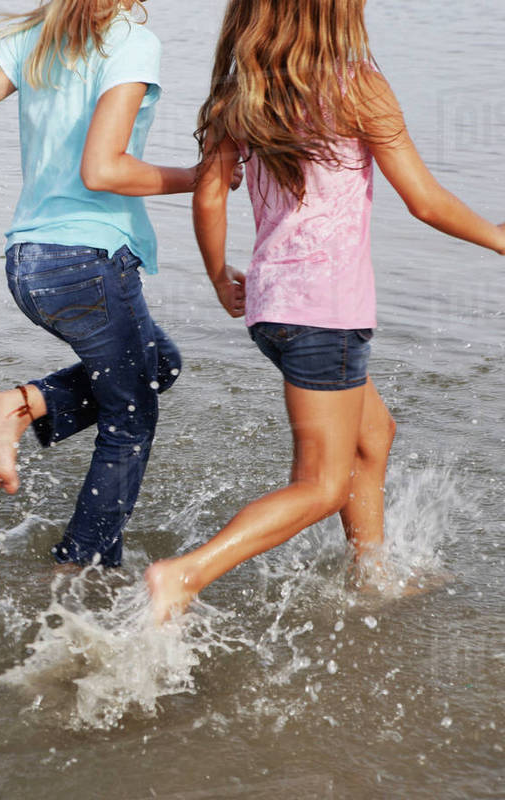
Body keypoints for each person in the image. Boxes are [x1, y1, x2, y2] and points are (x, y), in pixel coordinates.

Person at [145, 0, 505, 621]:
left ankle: (371, 574)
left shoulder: (242, 92)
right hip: (327, 312)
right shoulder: (357, 85)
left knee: (373, 434)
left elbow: (209, 197)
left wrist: (217, 275)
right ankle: (184, 574)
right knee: (321, 483)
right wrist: (498, 238)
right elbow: (423, 200)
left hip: (273, 307)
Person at [0, 0, 222, 567]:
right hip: (88, 264)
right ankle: (80, 569)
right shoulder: (132, 41)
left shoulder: (36, 37)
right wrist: (200, 177)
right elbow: (103, 170)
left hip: (27, 264)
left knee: (159, 362)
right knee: (131, 417)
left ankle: (19, 406)